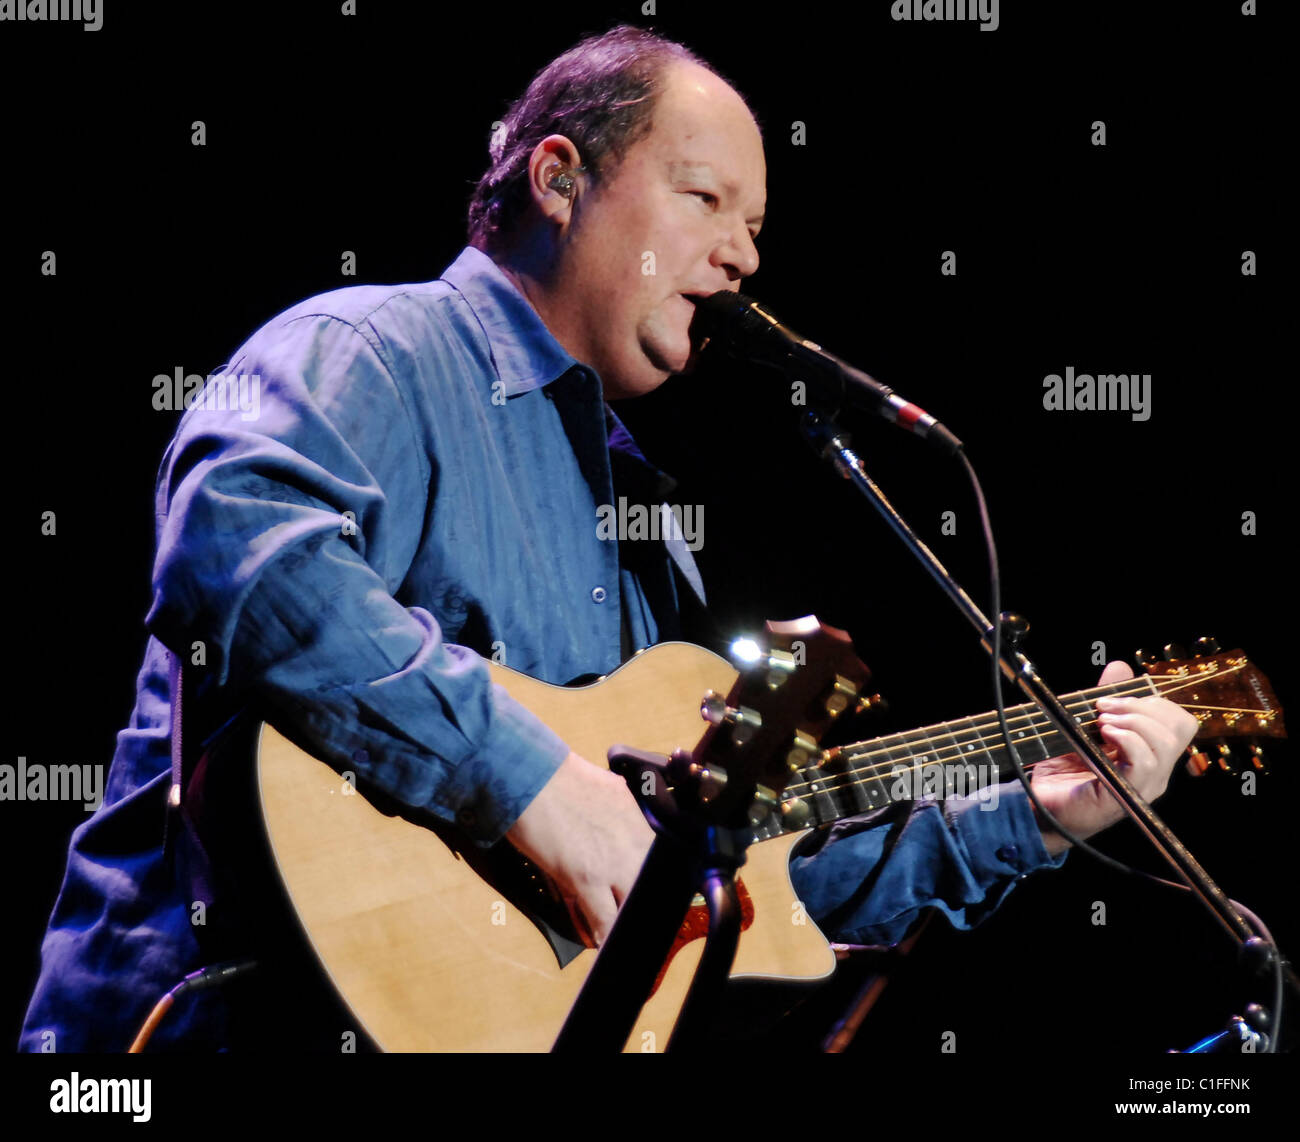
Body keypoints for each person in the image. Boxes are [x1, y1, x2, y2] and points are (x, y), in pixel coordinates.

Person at [19, 25, 1197, 1053]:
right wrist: (532, 782)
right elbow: (241, 554)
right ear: (559, 177)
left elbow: (738, 878)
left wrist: (1036, 810)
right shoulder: (373, 345)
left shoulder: (641, 528)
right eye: (704, 199)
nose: (743, 254)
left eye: (754, 225)